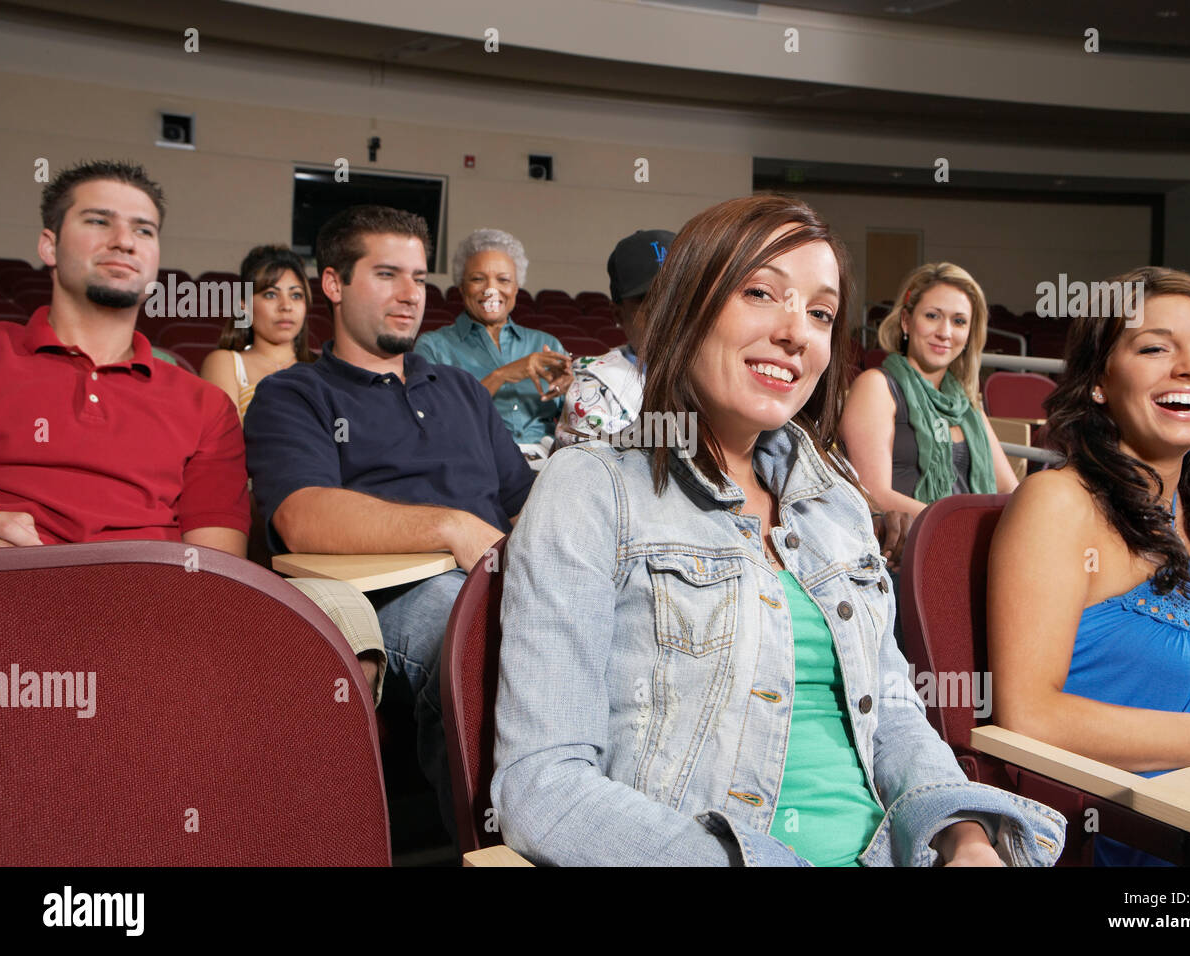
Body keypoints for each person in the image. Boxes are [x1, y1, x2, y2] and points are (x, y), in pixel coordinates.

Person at [491, 195, 1065, 867]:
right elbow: (542, 786)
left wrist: (962, 833)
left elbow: (896, 717)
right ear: (685, 306)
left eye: (820, 313)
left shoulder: (836, 500)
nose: (797, 332)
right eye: (762, 293)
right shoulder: (592, 487)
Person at [0, 160, 386, 699]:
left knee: (344, 618)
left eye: (143, 230)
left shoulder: (201, 405)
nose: (124, 241)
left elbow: (214, 567)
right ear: (48, 245)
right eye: (98, 222)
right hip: (14, 594)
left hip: (151, 609)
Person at [244, 205, 536, 837]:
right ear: (333, 283)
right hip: (390, 595)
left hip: (495, 578)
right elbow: (302, 515)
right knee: (463, 627)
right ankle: (492, 847)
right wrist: (452, 527)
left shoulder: (460, 389)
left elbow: (522, 502)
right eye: (387, 275)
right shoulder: (296, 394)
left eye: (419, 277)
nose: (411, 295)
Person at [988, 266, 1190, 866]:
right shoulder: (1058, 503)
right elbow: (1028, 716)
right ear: (1099, 381)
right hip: (1147, 840)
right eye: (1155, 347)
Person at [840, 263, 1018, 515]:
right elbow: (873, 494)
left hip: (964, 538)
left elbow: (1009, 490)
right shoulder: (877, 386)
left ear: (969, 334)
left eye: (959, 321)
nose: (945, 333)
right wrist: (953, 527)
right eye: (933, 316)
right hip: (907, 545)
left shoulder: (965, 403)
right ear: (906, 321)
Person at [414, 228, 572, 462]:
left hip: (545, 466)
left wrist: (571, 391)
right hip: (472, 462)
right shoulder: (433, 347)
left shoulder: (546, 344)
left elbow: (574, 424)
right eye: (478, 279)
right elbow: (433, 421)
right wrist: (502, 375)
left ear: (516, 288)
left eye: (504, 280)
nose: (491, 290)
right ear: (461, 287)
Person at [554, 228, 673, 449]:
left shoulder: (724, 372)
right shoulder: (592, 380)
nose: (667, 313)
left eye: (680, 298)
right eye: (650, 302)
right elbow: (591, 470)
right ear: (618, 314)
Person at [201, 244, 315, 420]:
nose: (286, 306)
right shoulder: (226, 363)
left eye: (296, 295)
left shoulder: (323, 367)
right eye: (270, 294)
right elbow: (226, 441)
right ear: (244, 306)